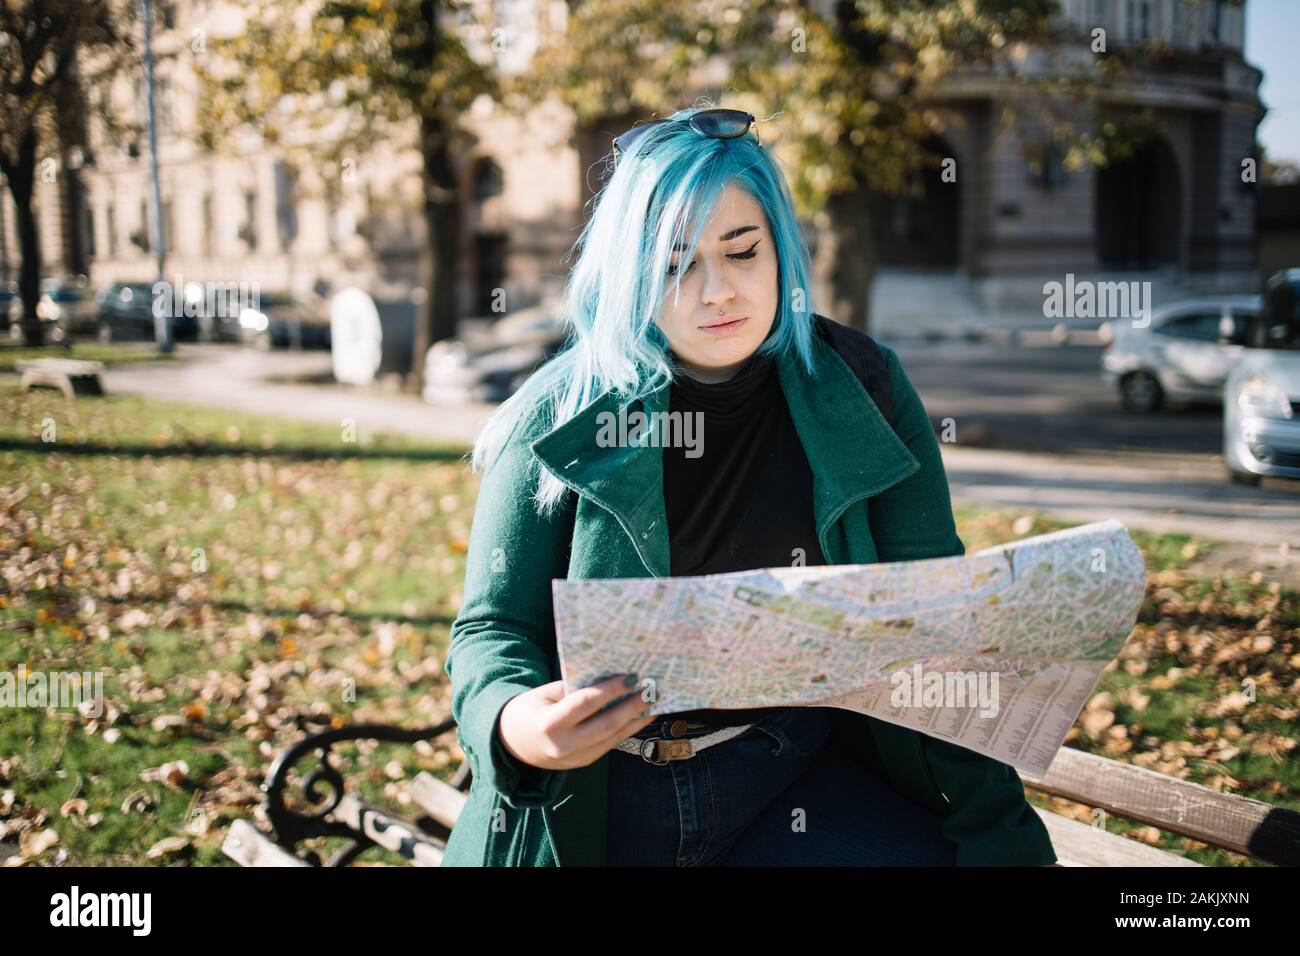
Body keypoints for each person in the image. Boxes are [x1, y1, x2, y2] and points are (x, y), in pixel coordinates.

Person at [440, 104, 1059, 867]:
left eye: (743, 251)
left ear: (781, 251)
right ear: (628, 272)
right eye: (673, 264)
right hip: (599, 801)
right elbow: (492, 631)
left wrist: (1005, 843)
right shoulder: (561, 410)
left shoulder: (867, 390)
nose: (717, 292)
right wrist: (515, 725)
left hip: (784, 778)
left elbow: (936, 635)